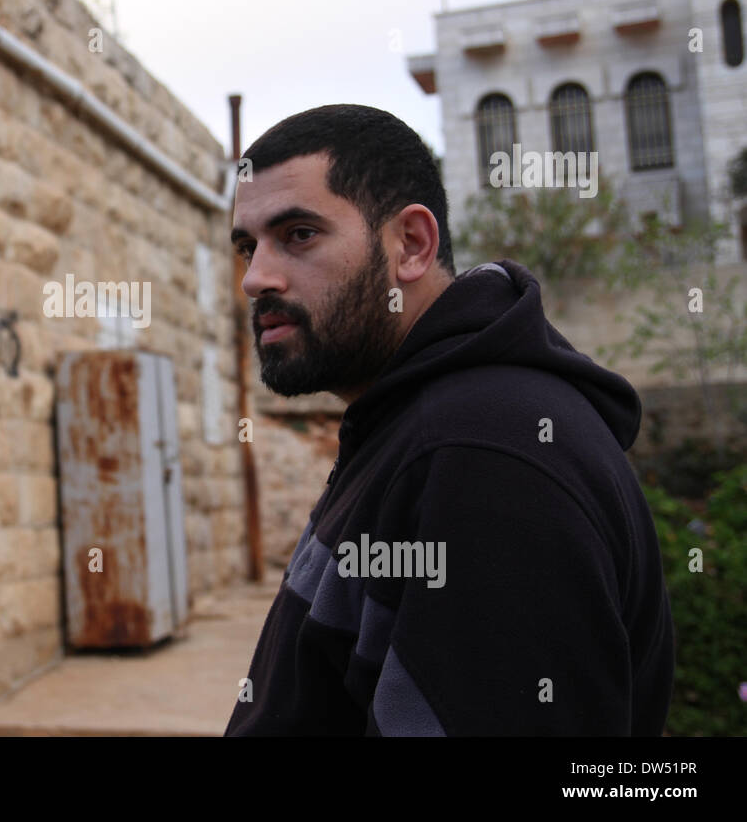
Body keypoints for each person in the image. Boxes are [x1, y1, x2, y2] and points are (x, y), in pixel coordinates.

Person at [224, 104, 674, 735]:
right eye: (248, 246)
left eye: (298, 234)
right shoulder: (412, 422)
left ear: (411, 244)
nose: (256, 278)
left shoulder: (486, 454)